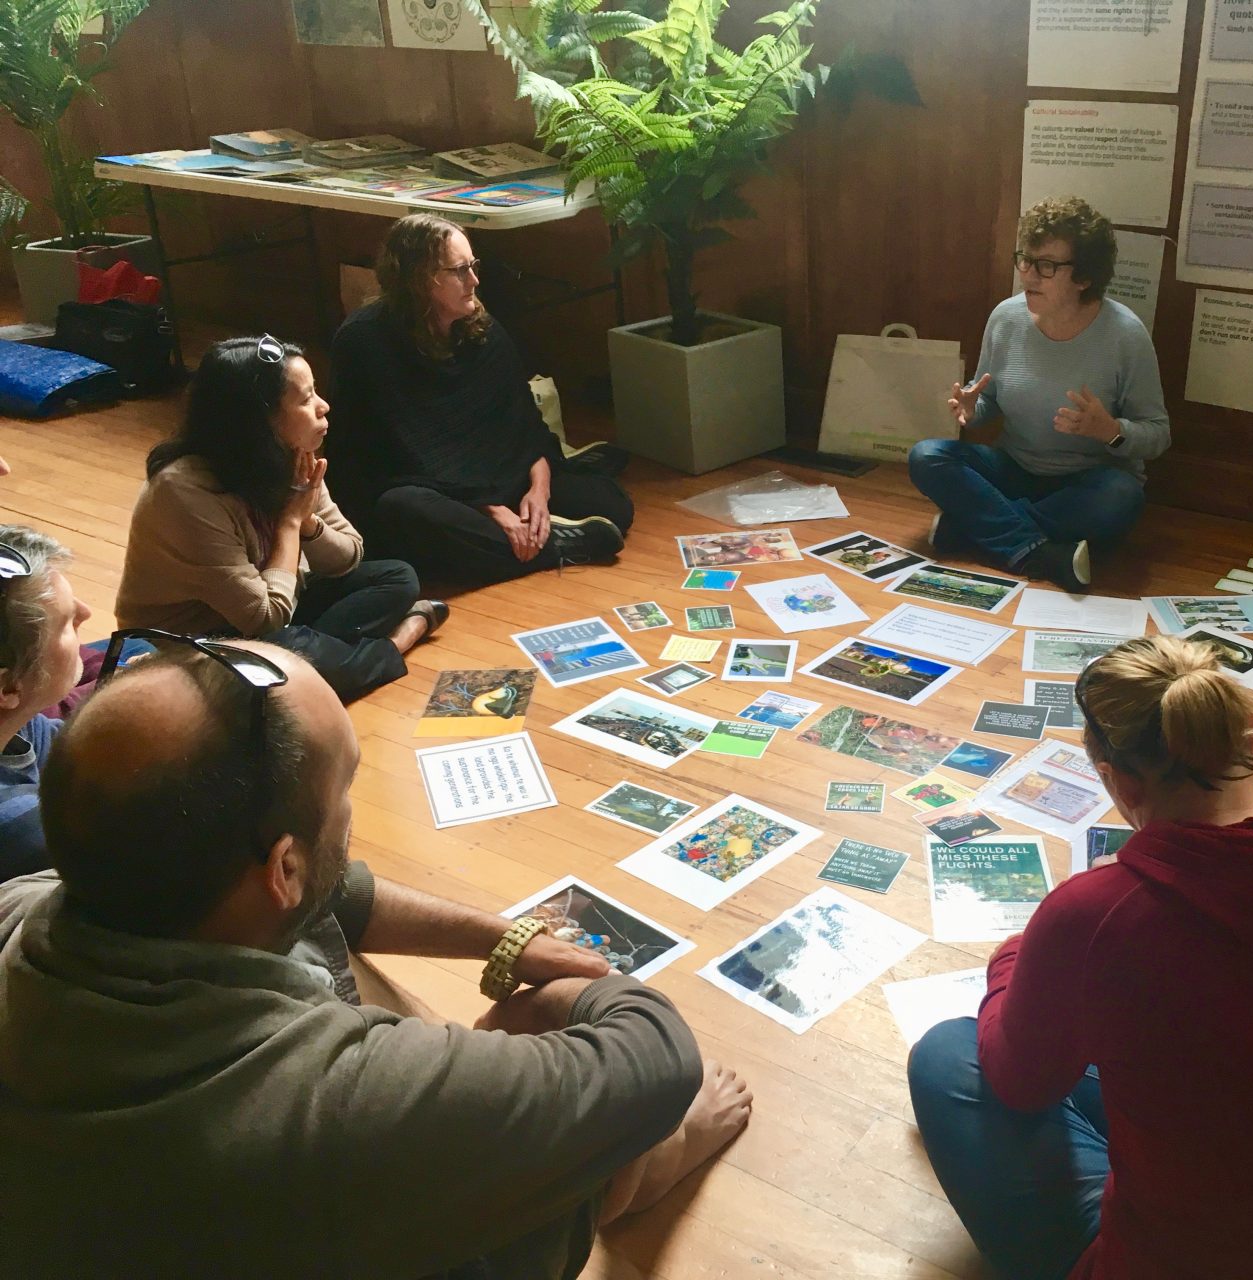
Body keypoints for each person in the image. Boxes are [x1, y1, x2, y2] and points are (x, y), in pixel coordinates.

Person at [0, 637, 753, 1276]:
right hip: (296, 1198)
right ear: (284, 867)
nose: (353, 809)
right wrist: (588, 987)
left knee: (320, 928)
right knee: (561, 1030)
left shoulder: (41, 896)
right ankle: (646, 1175)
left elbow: (335, 893)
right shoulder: (320, 1101)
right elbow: (658, 1060)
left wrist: (509, 940)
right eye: (346, 786)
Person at [907, 635, 1253, 1280]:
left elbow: (1018, 1082)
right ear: (1252, 739)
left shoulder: (1093, 915)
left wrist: (1017, 956)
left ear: (1115, 779)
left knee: (950, 1053)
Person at [114, 335, 446, 704]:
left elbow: (350, 554)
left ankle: (315, 657)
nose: (324, 406)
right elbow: (264, 617)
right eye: (305, 399)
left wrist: (309, 525)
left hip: (272, 609)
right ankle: (394, 644)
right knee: (286, 646)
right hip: (192, 641)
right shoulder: (184, 493)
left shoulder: (289, 457)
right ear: (259, 420)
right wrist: (290, 523)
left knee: (397, 577)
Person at [328, 213, 633, 584]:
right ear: (419, 278)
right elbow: (390, 460)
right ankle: (556, 548)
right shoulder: (365, 341)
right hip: (437, 492)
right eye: (459, 270)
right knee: (404, 509)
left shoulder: (481, 327)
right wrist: (493, 512)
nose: (474, 280)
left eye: (473, 266)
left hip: (500, 475)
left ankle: (521, 539)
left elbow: (526, 428)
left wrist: (539, 491)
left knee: (613, 505)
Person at [908, 196, 1169, 593]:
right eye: (1025, 260)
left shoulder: (1124, 335)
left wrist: (1110, 430)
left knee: (1121, 497)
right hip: (1015, 470)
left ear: (1084, 277)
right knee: (926, 456)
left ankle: (973, 527)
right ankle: (1039, 553)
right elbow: (988, 400)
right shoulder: (1006, 318)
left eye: (1046, 266)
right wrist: (972, 409)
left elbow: (1157, 434)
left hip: (1086, 484)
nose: (1028, 275)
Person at [0, 525, 93, 881]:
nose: (85, 611)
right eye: (67, 623)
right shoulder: (25, 830)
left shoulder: (14, 721)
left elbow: (63, 743)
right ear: (8, 686)